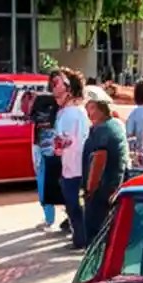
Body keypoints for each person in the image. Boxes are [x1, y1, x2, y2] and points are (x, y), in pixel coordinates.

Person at [81, 91, 131, 246]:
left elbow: (99, 158)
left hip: (101, 190)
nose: (88, 113)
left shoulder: (102, 130)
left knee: (96, 235)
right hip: (114, 186)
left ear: (98, 108)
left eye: (90, 108)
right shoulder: (116, 124)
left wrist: (90, 189)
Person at [52, 67, 89, 248]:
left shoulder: (71, 113)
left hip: (74, 167)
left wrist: (59, 145)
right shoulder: (71, 111)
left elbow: (65, 142)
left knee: (74, 206)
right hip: (73, 166)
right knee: (74, 205)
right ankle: (80, 238)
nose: (53, 88)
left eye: (57, 83)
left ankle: (80, 240)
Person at [29, 70, 63, 230]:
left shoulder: (65, 103)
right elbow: (33, 120)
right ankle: (50, 218)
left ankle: (68, 219)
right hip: (42, 146)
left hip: (59, 147)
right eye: (54, 82)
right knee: (43, 182)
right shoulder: (41, 99)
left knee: (63, 183)